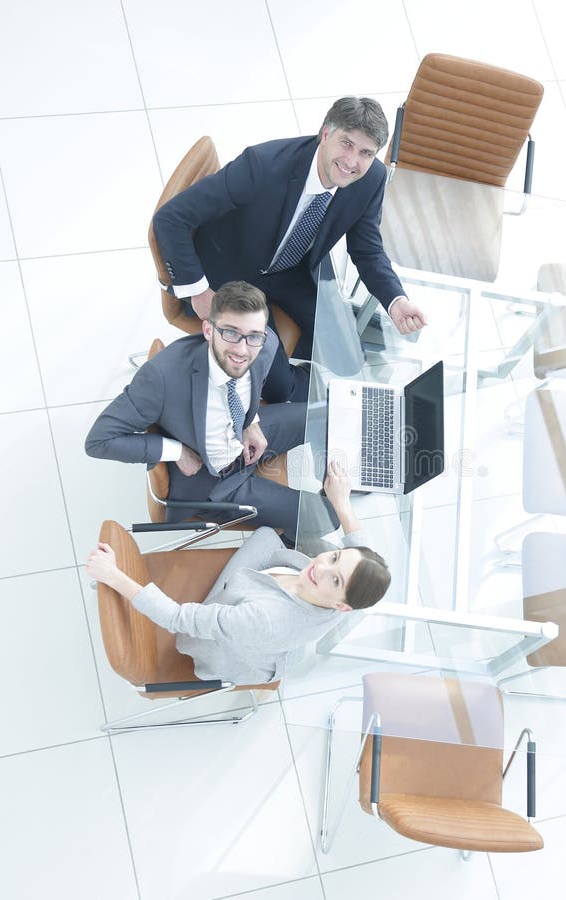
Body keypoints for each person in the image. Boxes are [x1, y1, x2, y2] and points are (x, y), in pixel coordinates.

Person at [152, 96, 428, 403]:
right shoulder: (263, 165)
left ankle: (305, 375)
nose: (352, 162)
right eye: (346, 144)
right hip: (230, 279)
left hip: (290, 271)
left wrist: (396, 301)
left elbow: (367, 248)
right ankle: (295, 397)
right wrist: (199, 291)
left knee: (348, 360)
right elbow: (169, 219)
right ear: (325, 134)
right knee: (281, 388)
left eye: (365, 152)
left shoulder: (371, 179)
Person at [86, 462, 390, 686]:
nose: (321, 567)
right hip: (269, 615)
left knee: (272, 533)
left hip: (221, 639)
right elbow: (361, 548)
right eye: (334, 557)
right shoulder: (355, 591)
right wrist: (341, 501)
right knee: (268, 534)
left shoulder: (264, 619)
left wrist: (112, 575)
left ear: (341, 606)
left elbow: (178, 619)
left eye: (334, 579)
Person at [85, 280, 321, 544]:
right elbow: (98, 441)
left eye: (253, 336)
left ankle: (358, 476)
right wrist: (175, 451)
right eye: (230, 333)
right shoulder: (162, 378)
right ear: (208, 329)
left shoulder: (265, 346)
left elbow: (246, 386)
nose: (242, 350)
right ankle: (288, 539)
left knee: (324, 417)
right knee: (324, 517)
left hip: (243, 437)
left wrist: (251, 420)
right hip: (211, 482)